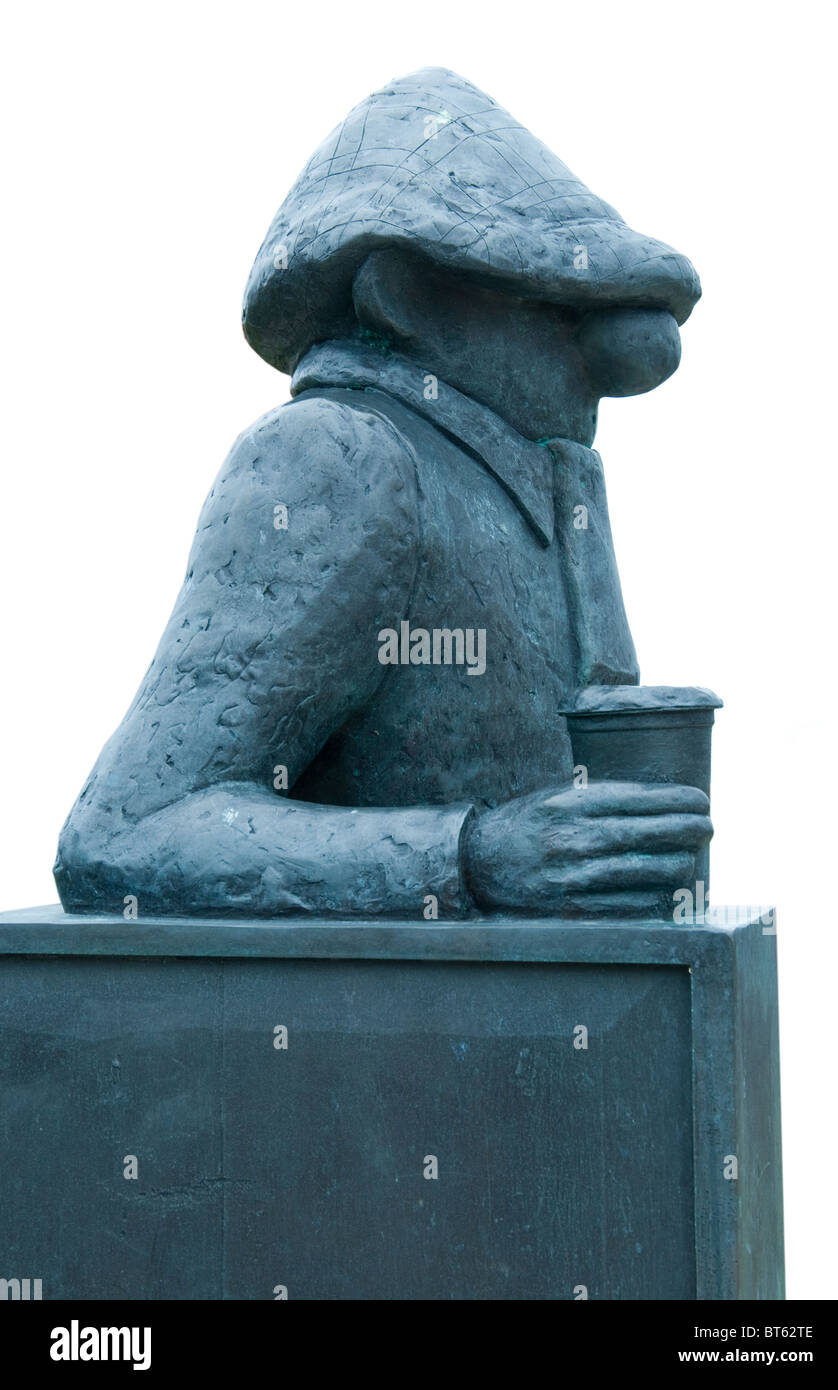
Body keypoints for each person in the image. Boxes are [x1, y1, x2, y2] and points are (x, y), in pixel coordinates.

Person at [55, 68, 711, 918]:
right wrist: (473, 854)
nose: (588, 349)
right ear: (403, 296)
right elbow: (125, 833)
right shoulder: (335, 457)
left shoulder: (537, 473)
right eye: (549, 301)